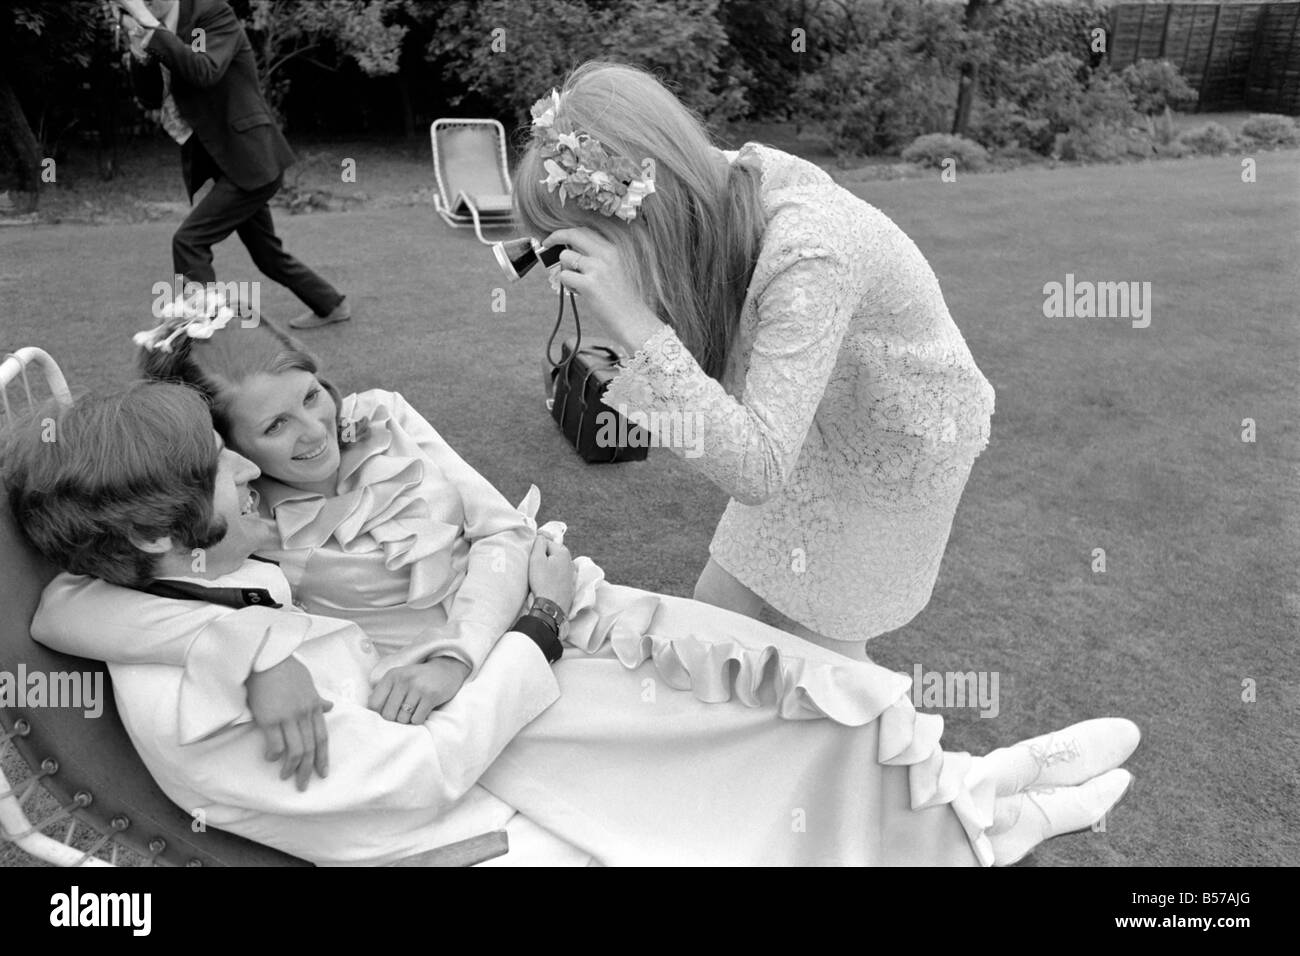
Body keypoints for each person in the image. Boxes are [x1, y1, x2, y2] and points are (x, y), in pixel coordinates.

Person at [49, 311, 1140, 865]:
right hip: (519, 703)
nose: (311, 428)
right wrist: (274, 647)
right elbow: (80, 601)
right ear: (223, 450)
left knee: (804, 690)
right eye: (270, 427)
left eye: (311, 394)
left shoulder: (381, 416)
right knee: (751, 781)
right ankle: (987, 834)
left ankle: (986, 778)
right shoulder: (244, 535)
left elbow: (501, 526)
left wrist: (469, 635)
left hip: (565, 616)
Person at [512, 61, 996, 657]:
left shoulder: (808, 255)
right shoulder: (691, 185)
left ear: (635, 211)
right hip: (806, 415)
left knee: (828, 657)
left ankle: (879, 748)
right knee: (715, 611)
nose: (570, 265)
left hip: (897, 440)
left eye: (580, 245)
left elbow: (759, 469)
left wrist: (635, 321)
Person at [114, 0, 351, 330]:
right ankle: (330, 304)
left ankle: (207, 335)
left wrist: (145, 21)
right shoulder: (154, 30)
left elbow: (203, 71)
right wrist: (140, 50)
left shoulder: (211, 13)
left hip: (251, 156)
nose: (143, 2)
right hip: (222, 159)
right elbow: (152, 98)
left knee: (189, 241)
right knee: (267, 254)